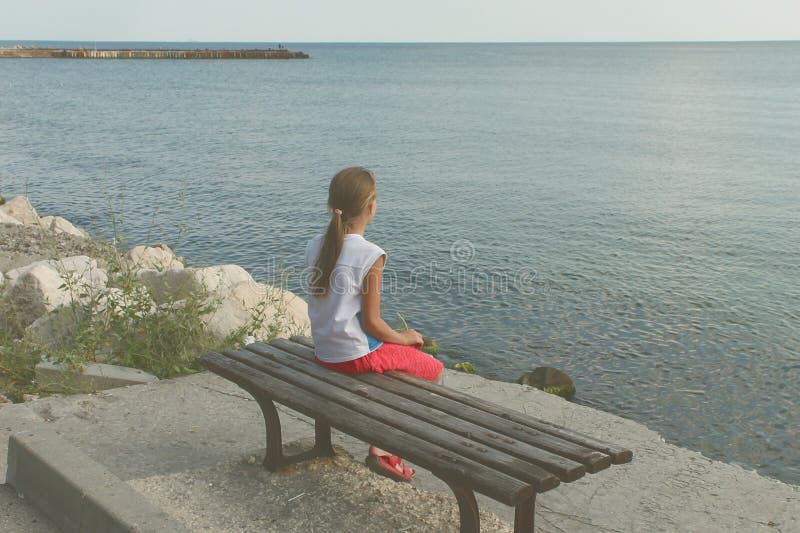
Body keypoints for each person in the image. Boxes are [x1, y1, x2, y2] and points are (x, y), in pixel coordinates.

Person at [304, 166, 444, 482]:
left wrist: (395, 341)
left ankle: (388, 443)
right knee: (433, 370)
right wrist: (404, 338)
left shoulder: (314, 245)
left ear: (332, 206)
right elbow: (371, 323)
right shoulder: (371, 255)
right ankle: (384, 447)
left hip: (325, 352)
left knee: (403, 359)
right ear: (371, 207)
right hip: (354, 356)